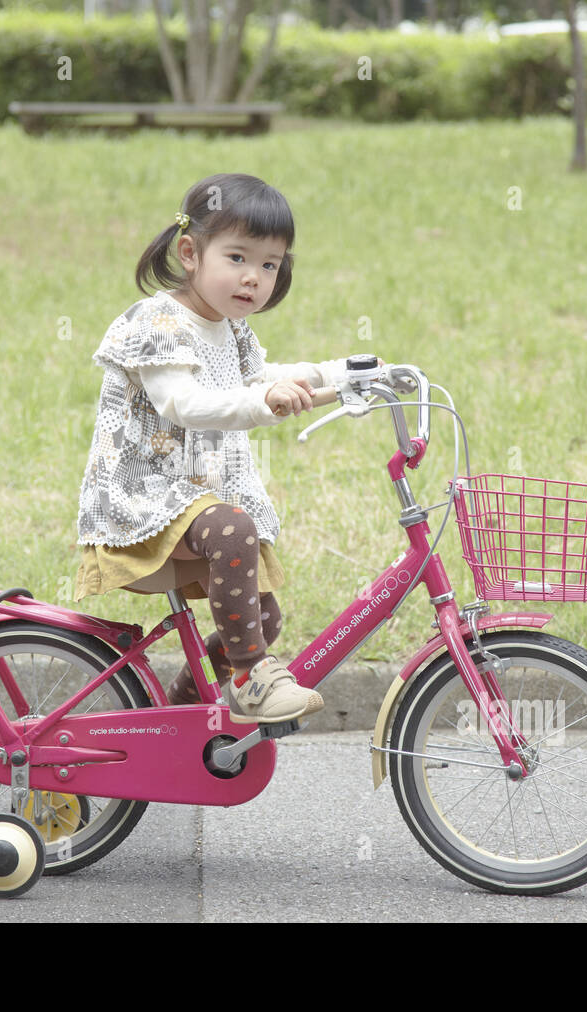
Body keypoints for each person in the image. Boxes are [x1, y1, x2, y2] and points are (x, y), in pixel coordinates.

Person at [75, 172, 346, 724]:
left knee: (262, 621)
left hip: (194, 490)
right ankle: (250, 681)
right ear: (190, 252)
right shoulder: (157, 321)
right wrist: (261, 401)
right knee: (234, 530)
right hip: (146, 492)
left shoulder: (232, 327)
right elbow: (183, 402)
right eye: (238, 258)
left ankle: (175, 714)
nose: (253, 278)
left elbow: (263, 374)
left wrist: (347, 373)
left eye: (269, 265)